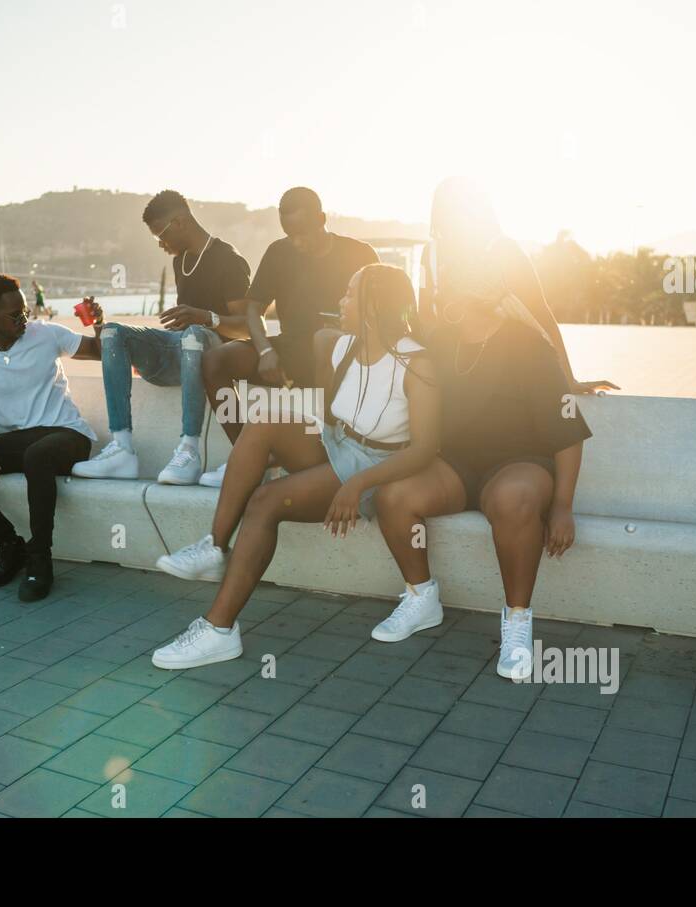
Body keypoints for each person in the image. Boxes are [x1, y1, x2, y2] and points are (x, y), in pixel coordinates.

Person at [150, 264, 439, 669]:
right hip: (341, 444)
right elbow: (328, 415)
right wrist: (305, 453)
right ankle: (214, 546)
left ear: (375, 305)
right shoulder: (339, 347)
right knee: (265, 420)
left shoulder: (416, 363)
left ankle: (218, 631)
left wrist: (356, 485)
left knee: (266, 502)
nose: (342, 301)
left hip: (380, 464)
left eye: (351, 294)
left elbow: (425, 449)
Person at [370, 255, 592, 676]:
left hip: (518, 463)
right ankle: (421, 599)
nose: (438, 296)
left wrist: (562, 505)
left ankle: (518, 619)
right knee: (395, 497)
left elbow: (568, 432)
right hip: (455, 465)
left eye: (446, 289)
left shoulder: (528, 346)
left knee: (514, 499)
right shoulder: (440, 340)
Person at [197, 186, 379, 487]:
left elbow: (383, 311)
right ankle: (250, 457)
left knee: (327, 343)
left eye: (304, 232)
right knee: (216, 360)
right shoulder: (279, 252)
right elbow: (254, 309)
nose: (298, 242)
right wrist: (266, 350)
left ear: (322, 218)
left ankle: (329, 457)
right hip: (290, 349)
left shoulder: (359, 253)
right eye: (290, 233)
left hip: (343, 352)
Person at [0, 274, 103, 602]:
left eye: (26, 311)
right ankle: (8, 544)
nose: (25, 320)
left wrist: (98, 322)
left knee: (37, 455)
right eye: (16, 315)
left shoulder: (47, 335)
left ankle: (40, 557)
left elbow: (100, 350)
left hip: (68, 435)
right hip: (24, 442)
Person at [71, 190, 252, 484]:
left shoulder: (228, 259)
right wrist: (99, 322)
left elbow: (246, 327)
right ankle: (122, 450)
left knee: (194, 334)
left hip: (215, 356)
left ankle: (189, 452)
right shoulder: (180, 262)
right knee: (114, 333)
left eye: (161, 236)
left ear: (179, 222)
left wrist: (205, 317)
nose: (161, 245)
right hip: (181, 351)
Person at [420, 177, 617, 395]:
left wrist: (568, 378)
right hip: (449, 370)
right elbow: (424, 315)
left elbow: (541, 314)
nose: (454, 217)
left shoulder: (504, 251)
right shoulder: (432, 254)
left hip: (500, 373)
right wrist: (431, 366)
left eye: (461, 209)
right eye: (447, 210)